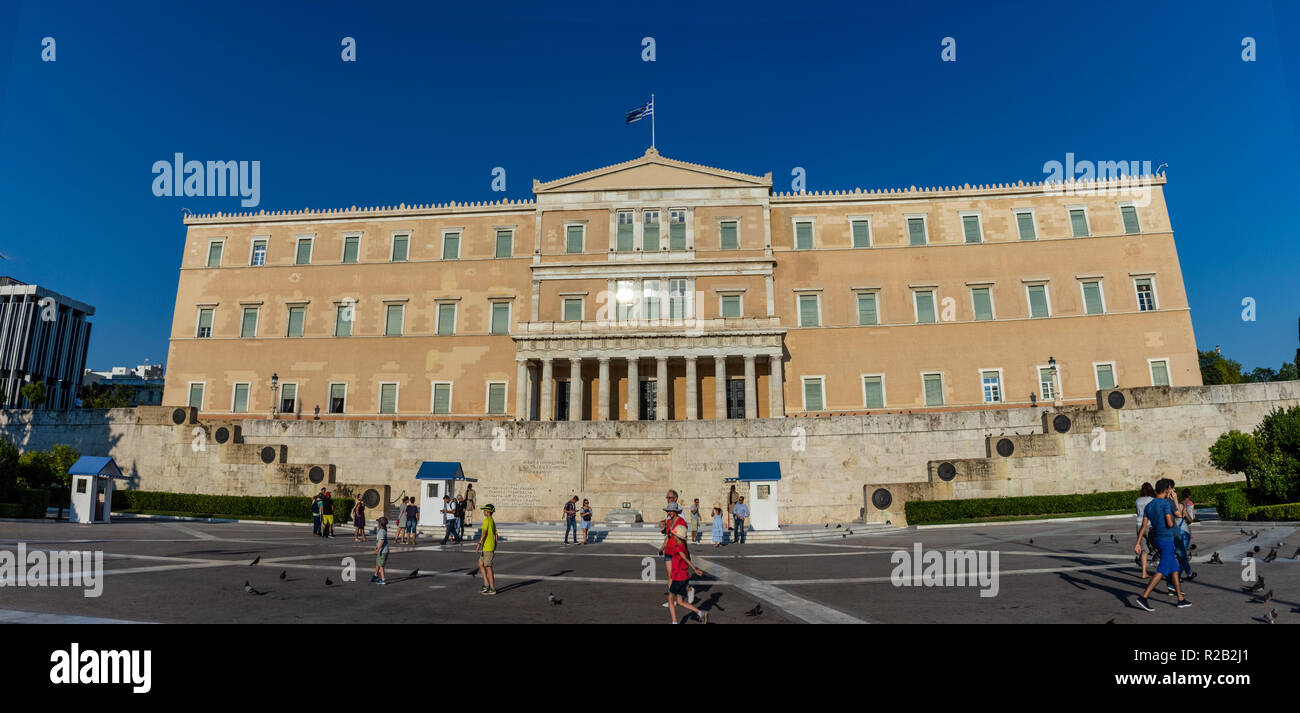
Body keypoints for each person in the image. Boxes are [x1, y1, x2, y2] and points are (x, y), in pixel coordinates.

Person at [1133, 478, 1191, 611]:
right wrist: (1170, 518)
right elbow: (1171, 523)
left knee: (1174, 568)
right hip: (1166, 540)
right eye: (1170, 489)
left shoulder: (1149, 505)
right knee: (1163, 569)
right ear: (1166, 490)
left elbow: (1143, 526)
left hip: (1157, 539)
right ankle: (1143, 596)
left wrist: (1137, 543)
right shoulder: (1165, 504)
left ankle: (1180, 599)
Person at [663, 524, 706, 624]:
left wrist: (694, 568)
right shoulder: (684, 547)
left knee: (670, 598)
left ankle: (674, 622)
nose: (673, 536)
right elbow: (685, 557)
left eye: (674, 535)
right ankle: (700, 613)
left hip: (678, 577)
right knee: (680, 601)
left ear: (678, 537)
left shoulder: (678, 547)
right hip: (685, 577)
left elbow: (684, 558)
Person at [658, 491, 694, 605]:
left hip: (677, 551)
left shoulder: (681, 517)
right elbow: (668, 536)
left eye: (670, 497)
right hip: (669, 550)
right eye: (667, 497)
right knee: (670, 575)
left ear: (675, 499)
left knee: (677, 577)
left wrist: (683, 550)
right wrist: (662, 547)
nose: (668, 499)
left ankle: (688, 589)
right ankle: (672, 600)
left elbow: (683, 534)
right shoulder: (668, 521)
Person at [1174, 488, 1196, 581]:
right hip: (1184, 530)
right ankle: (1176, 577)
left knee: (1180, 554)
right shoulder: (1187, 504)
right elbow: (1191, 519)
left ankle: (1189, 573)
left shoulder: (1173, 506)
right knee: (1183, 555)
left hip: (1175, 531)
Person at [1135, 483, 1156, 578]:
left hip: (1138, 525)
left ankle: (1144, 573)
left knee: (1144, 550)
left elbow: (1137, 512)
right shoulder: (1152, 500)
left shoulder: (1138, 500)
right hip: (1148, 525)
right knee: (1157, 546)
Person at [477, 504, 498, 595]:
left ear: (488, 512)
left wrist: (479, 544)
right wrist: (495, 545)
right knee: (480, 564)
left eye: (484, 510)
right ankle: (486, 584)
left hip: (487, 547)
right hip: (488, 547)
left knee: (488, 567)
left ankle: (492, 588)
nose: (483, 512)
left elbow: (484, 533)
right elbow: (496, 535)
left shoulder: (487, 520)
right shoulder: (492, 521)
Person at [370, 516, 390, 585]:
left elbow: (382, 541)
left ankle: (383, 579)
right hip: (383, 550)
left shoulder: (382, 531)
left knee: (381, 565)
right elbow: (379, 541)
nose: (377, 524)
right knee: (378, 563)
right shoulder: (382, 530)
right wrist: (377, 547)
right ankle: (375, 575)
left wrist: (378, 550)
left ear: (380, 524)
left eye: (378, 522)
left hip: (382, 551)